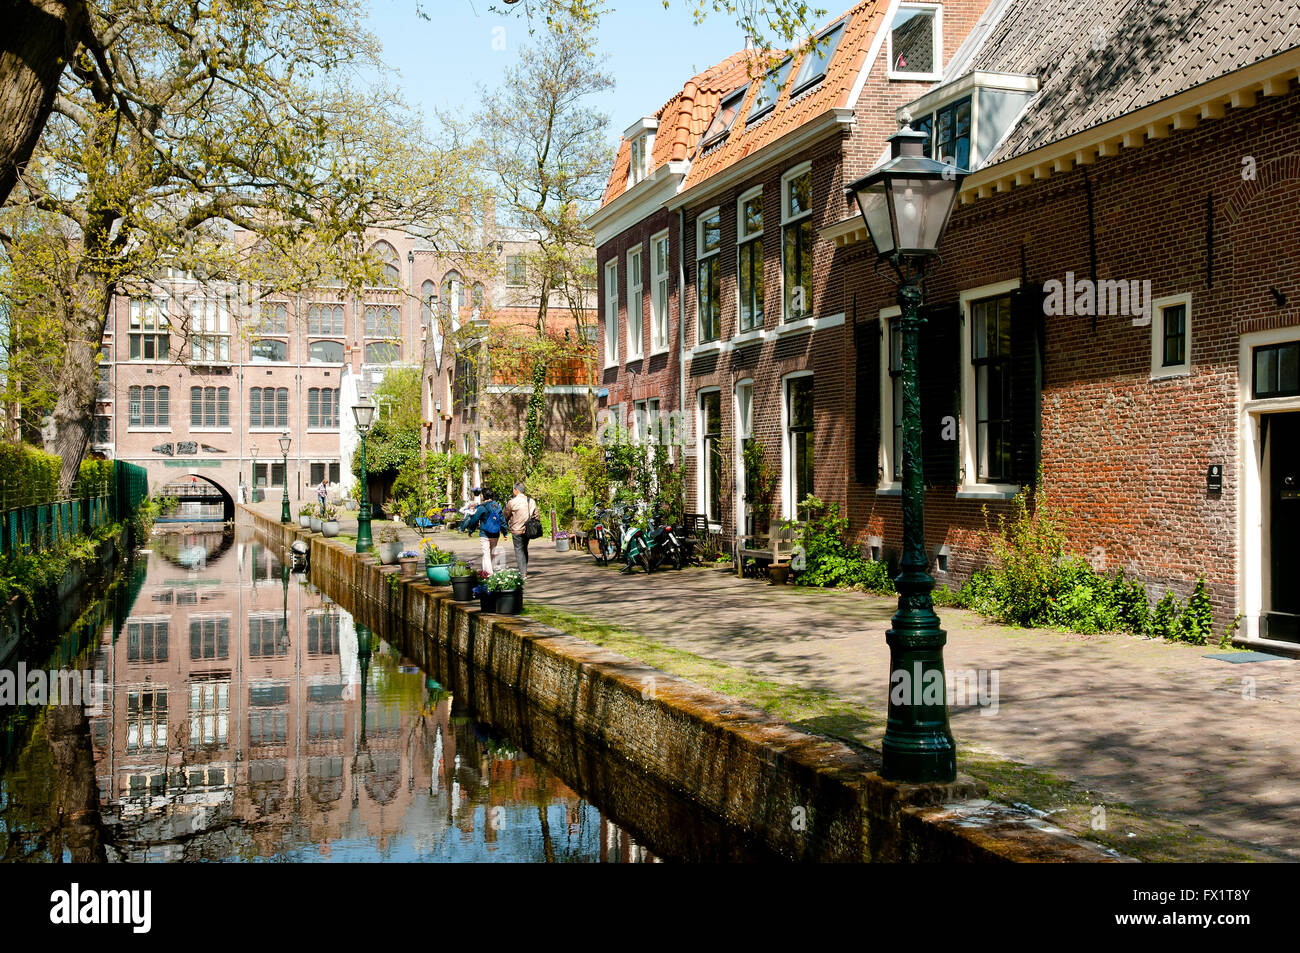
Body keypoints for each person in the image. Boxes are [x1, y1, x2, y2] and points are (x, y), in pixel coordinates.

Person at [462, 489, 505, 574]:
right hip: (495, 534)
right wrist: (505, 532)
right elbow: (502, 519)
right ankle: (487, 571)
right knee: (492, 553)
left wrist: (470, 530)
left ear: (483, 496)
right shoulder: (497, 506)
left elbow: (475, 519)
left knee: (486, 554)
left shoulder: (482, 507)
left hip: (484, 533)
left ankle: (489, 573)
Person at [504, 482, 539, 577]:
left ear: (516, 490)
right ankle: (524, 567)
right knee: (524, 548)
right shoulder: (531, 501)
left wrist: (505, 525)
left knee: (519, 550)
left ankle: (523, 572)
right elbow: (536, 515)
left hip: (517, 529)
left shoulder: (512, 502)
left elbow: (506, 514)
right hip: (528, 530)